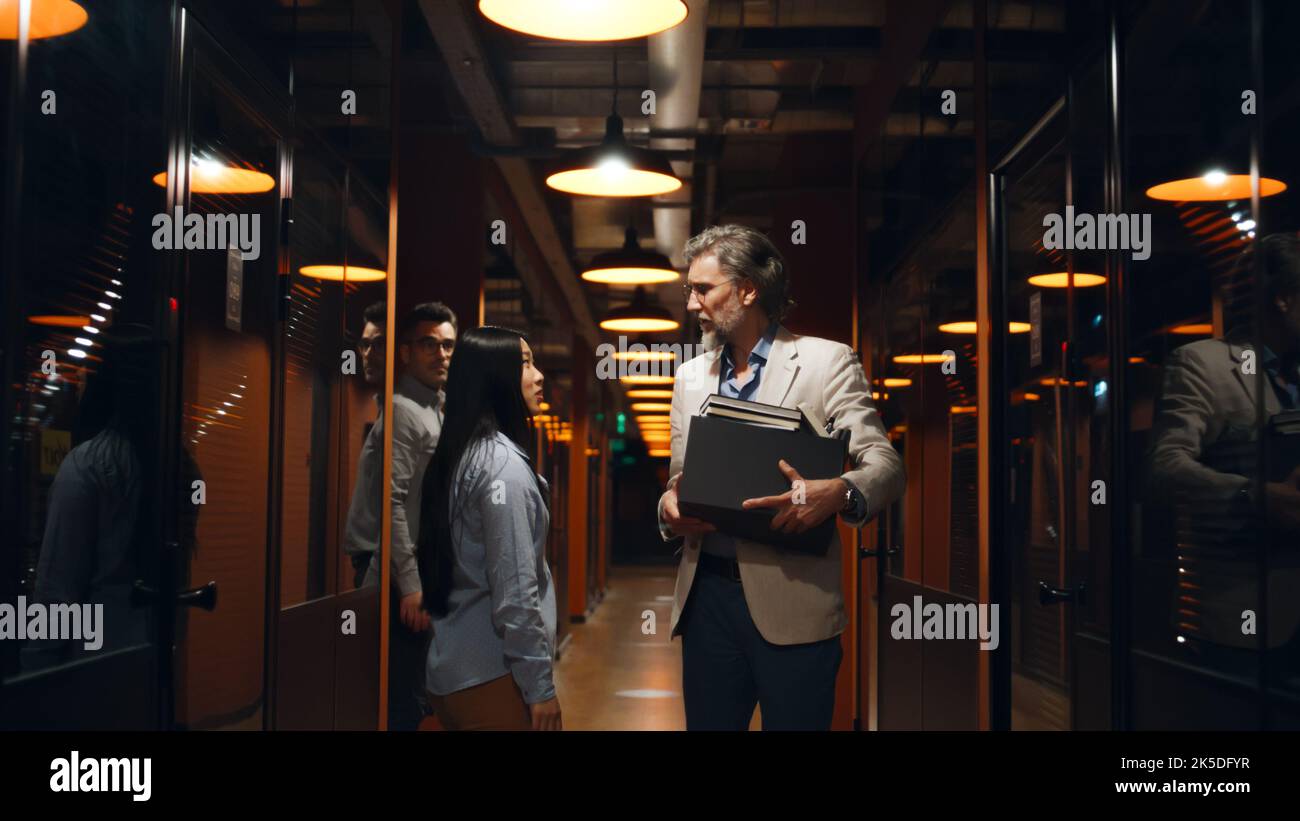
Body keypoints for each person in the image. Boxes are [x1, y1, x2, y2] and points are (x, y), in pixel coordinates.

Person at [657, 224, 906, 730]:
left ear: (748, 288)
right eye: (689, 290)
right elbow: (679, 480)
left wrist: (838, 491)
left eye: (703, 289)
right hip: (706, 605)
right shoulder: (688, 377)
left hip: (795, 607)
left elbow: (886, 465)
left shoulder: (826, 361)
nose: (691, 304)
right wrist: (667, 508)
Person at [1147, 232, 1300, 680]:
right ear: (1285, 300)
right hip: (1242, 619)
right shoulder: (1204, 364)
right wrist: (1253, 495)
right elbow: (1163, 468)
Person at [417, 326, 561, 731]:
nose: (539, 376)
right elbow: (516, 595)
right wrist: (541, 688)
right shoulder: (504, 469)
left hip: (450, 670)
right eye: (526, 363)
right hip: (492, 677)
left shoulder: (460, 455)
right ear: (495, 377)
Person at [360, 302, 458, 731]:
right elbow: (392, 503)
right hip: (391, 574)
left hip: (413, 570)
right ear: (405, 353)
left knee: (416, 696)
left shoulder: (434, 409)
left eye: (448, 345)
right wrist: (411, 586)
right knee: (400, 701)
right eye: (429, 344)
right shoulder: (403, 412)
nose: (441, 354)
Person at [342, 301, 389, 588]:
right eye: (364, 344)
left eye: (379, 344)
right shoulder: (384, 414)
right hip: (371, 565)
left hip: (379, 568)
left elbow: (402, 512)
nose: (368, 354)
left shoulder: (399, 420)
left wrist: (374, 579)